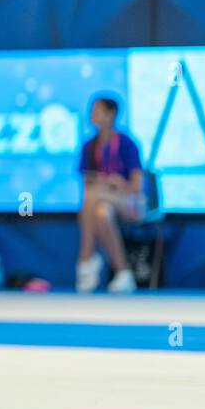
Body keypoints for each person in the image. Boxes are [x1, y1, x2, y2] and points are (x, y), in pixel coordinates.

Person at [76, 95, 144, 293]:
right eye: (92, 111)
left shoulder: (127, 143)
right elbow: (86, 180)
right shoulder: (89, 146)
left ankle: (86, 258)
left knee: (92, 196)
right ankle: (123, 272)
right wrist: (105, 183)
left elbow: (136, 185)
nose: (92, 115)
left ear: (111, 114)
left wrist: (118, 183)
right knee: (101, 213)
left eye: (98, 111)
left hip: (130, 201)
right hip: (104, 201)